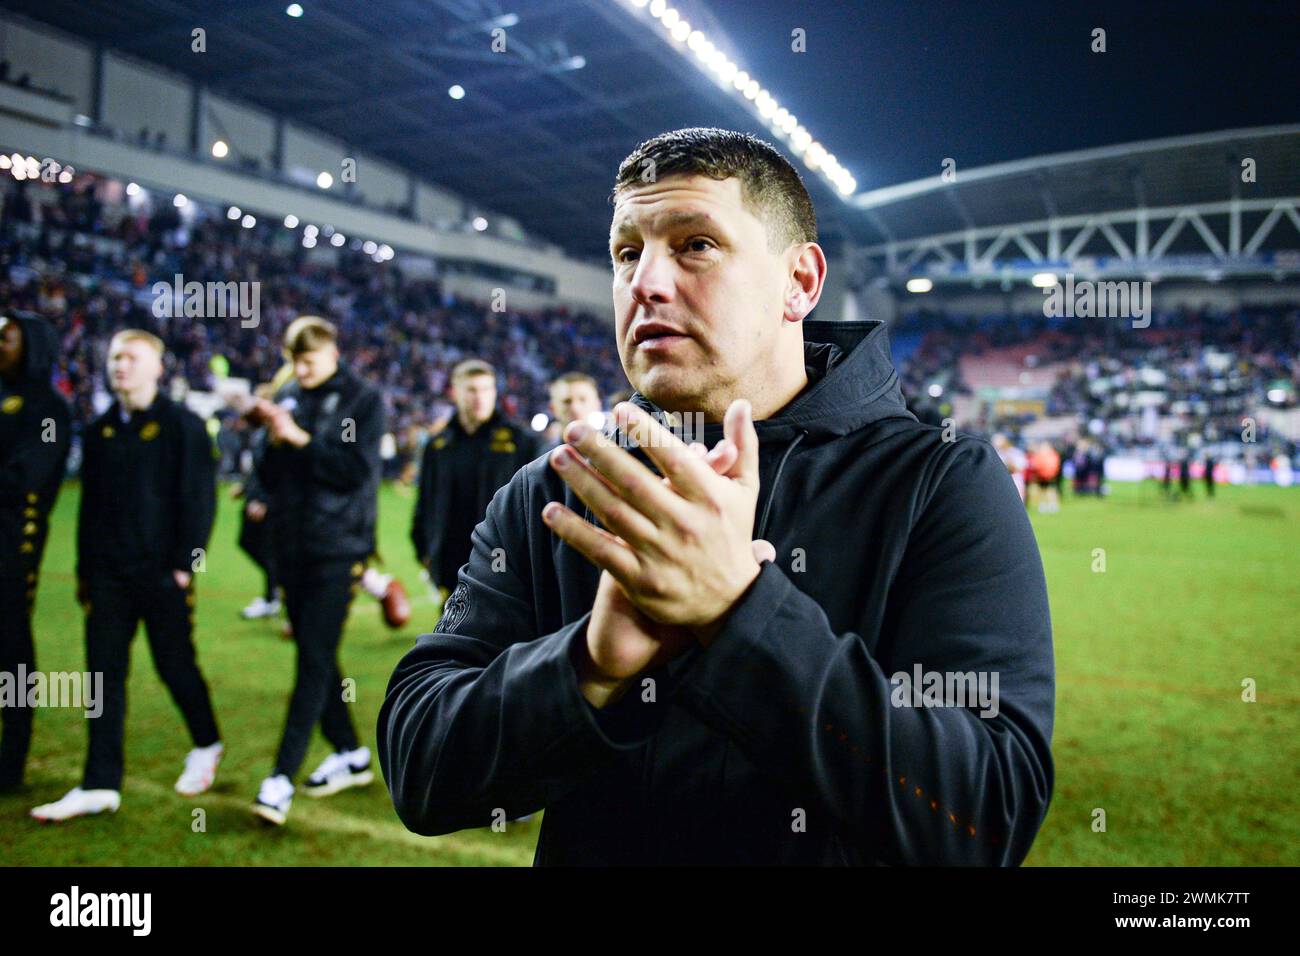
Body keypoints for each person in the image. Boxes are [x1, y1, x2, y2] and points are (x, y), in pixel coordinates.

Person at [378, 128, 1055, 865]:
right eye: (627, 251)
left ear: (800, 282)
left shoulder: (941, 484)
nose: (646, 283)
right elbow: (421, 771)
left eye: (695, 244)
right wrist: (589, 668)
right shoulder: (554, 491)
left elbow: (984, 816)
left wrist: (740, 614)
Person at [31, 330, 222, 821]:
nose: (121, 365)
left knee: (175, 666)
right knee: (102, 678)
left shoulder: (184, 426)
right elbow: (89, 511)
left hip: (162, 576)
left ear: (158, 368)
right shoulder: (98, 432)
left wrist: (185, 566)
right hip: (108, 578)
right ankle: (100, 782)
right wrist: (84, 572)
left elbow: (201, 502)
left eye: (132, 357)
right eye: (115, 356)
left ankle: (206, 743)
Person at [248, 316, 390, 825]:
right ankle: (351, 754)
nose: (301, 370)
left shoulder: (363, 399)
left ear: (332, 351)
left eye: (308, 360)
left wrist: (301, 439)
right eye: (295, 361)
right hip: (290, 544)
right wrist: (269, 437)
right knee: (318, 652)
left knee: (310, 659)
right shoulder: (290, 393)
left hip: (339, 546)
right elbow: (267, 472)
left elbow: (355, 471)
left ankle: (279, 779)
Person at [0, 313, 71, 791]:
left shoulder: (48, 407)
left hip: (12, 539)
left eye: (6, 337)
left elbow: (33, 475)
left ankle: (13, 757)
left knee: (11, 648)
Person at [409, 359, 540, 603]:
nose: (479, 397)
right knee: (452, 631)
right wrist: (424, 548)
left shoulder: (520, 442)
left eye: (486, 389)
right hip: (450, 555)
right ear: (454, 392)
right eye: (471, 390)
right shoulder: (438, 445)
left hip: (500, 557)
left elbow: (532, 503)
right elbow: (425, 500)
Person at [543, 372, 603, 452]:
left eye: (583, 399)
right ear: (552, 408)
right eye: (567, 401)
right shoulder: (541, 456)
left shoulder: (616, 446)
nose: (575, 408)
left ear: (597, 404)